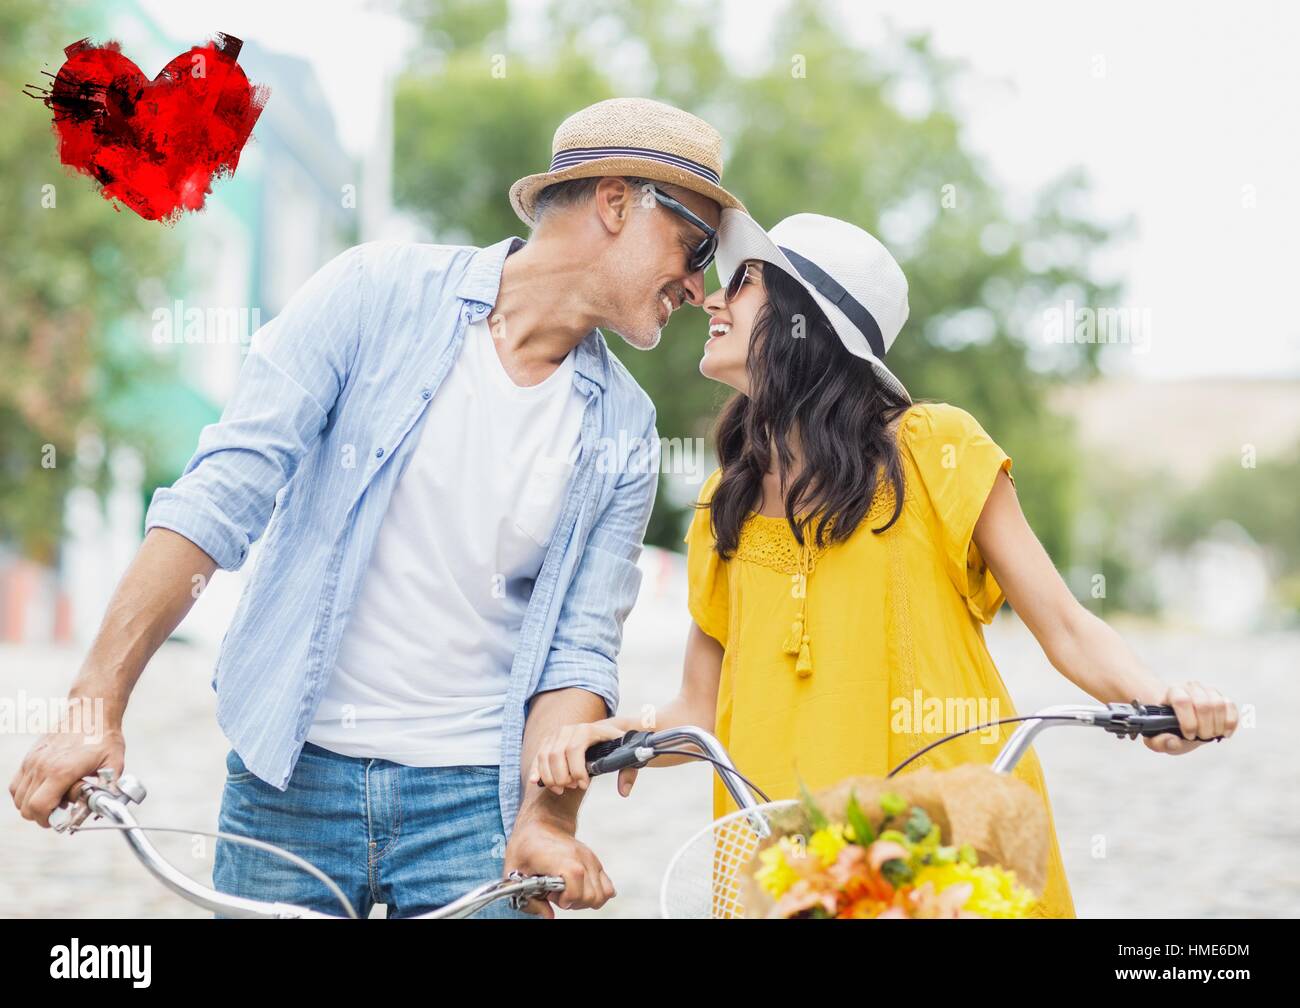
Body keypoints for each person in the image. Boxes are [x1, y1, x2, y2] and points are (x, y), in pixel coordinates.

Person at [9, 97, 748, 919]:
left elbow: (577, 650)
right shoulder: (374, 296)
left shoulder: (626, 429)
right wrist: (94, 709)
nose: (699, 284)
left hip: (474, 805)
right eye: (697, 246)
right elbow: (222, 493)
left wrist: (546, 821)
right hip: (289, 778)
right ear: (618, 202)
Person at [528, 209, 1239, 918]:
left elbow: (1064, 624)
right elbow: (702, 710)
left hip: (944, 858)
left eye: (744, 284)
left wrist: (1160, 704)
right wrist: (623, 734)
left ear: (810, 322)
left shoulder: (936, 450)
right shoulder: (727, 502)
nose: (712, 298)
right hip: (786, 872)